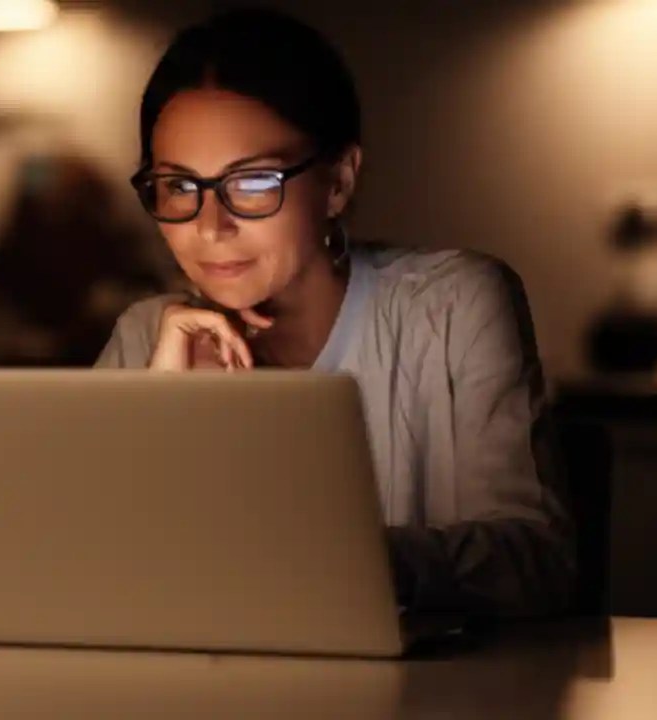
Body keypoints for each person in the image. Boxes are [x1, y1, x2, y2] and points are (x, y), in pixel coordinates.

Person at [95, 8, 574, 616]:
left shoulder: (452, 306)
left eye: (254, 182)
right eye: (180, 188)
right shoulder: (147, 336)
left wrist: (328, 563)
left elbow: (538, 560)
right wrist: (159, 424)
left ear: (339, 182)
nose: (211, 227)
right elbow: (85, 564)